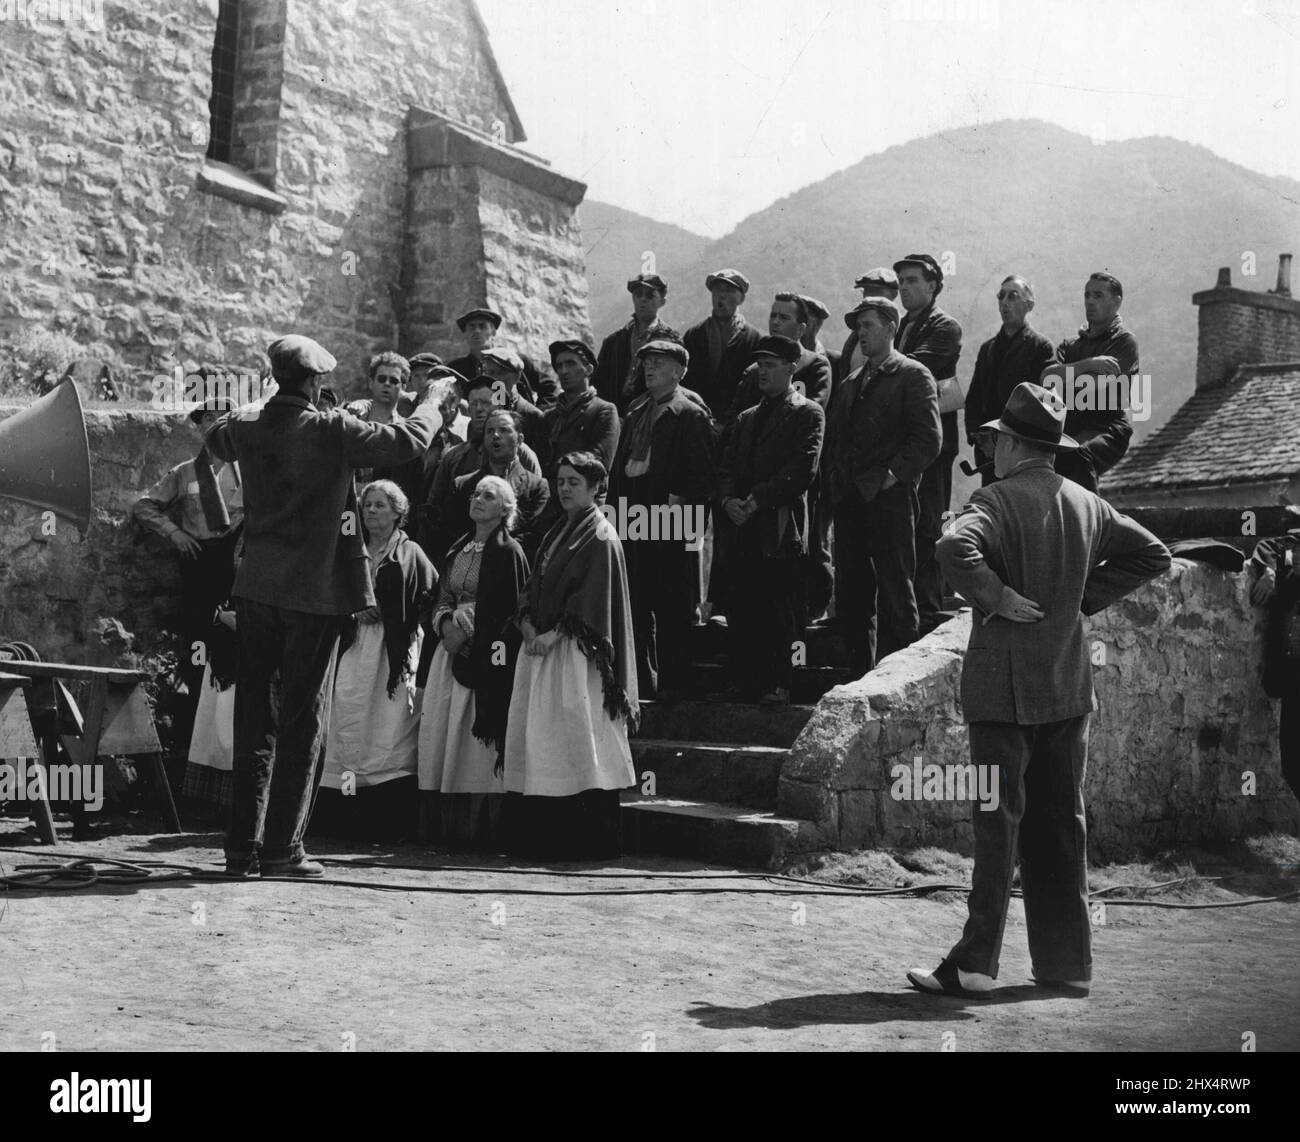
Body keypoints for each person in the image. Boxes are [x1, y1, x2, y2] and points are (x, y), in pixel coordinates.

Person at [909, 382, 1170, 999]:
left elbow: (952, 545)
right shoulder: (1087, 503)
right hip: (1068, 687)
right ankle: (1067, 964)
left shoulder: (995, 499)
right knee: (1061, 824)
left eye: (996, 438)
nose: (990, 448)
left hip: (1003, 693)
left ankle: (974, 964)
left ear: (1016, 444)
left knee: (997, 825)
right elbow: (1154, 554)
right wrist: (1082, 600)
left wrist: (996, 596)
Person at [202, 333, 446, 878]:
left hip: (257, 589)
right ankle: (283, 849)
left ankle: (241, 850)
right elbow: (407, 439)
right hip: (315, 594)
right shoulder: (332, 430)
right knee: (303, 721)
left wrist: (259, 400)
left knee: (253, 721)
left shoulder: (246, 425)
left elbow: (216, 436)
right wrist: (432, 400)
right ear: (314, 383)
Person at [506, 453, 639, 860]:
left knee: (581, 739)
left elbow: (594, 600)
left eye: (574, 482)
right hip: (542, 651)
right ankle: (547, 837)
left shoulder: (599, 535)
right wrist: (528, 624)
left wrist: (555, 633)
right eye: (560, 481)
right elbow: (534, 583)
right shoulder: (557, 530)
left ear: (596, 487)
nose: (564, 488)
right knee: (546, 741)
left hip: (578, 657)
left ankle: (588, 841)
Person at [312, 480, 435, 842]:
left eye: (380, 505)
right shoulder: (353, 550)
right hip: (353, 646)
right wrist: (352, 612)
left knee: (387, 726)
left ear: (398, 512)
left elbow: (427, 596)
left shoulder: (409, 551)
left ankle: (384, 820)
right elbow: (331, 591)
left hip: (390, 651)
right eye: (367, 505)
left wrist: (391, 613)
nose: (371, 511)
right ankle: (341, 812)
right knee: (347, 720)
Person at [824, 297, 941, 675]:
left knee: (895, 594)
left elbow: (928, 439)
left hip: (890, 501)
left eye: (869, 324)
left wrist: (891, 477)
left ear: (891, 328)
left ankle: (900, 680)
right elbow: (837, 442)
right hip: (851, 501)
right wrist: (839, 484)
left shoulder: (913, 374)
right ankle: (858, 679)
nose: (861, 332)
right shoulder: (850, 382)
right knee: (853, 598)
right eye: (858, 326)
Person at [417, 475, 528, 849]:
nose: (478, 499)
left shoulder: (509, 551)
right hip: (449, 653)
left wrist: (465, 629)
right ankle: (445, 827)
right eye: (477, 493)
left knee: (475, 744)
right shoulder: (459, 548)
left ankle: (482, 830)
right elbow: (443, 593)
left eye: (489, 495)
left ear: (505, 509)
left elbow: (507, 608)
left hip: (485, 658)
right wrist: (446, 621)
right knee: (446, 735)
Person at [714, 336, 824, 704]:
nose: (763, 371)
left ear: (792, 368)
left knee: (784, 609)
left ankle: (784, 682)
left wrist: (757, 499)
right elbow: (726, 466)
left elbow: (802, 470)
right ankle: (745, 679)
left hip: (780, 525)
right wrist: (728, 499)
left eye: (772, 364)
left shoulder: (807, 413)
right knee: (744, 606)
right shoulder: (746, 418)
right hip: (743, 525)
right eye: (760, 365)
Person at [132, 386, 244, 741]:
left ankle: (232, 724)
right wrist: (174, 533)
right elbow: (144, 506)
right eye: (209, 417)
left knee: (238, 636)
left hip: (239, 563)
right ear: (199, 427)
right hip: (200, 563)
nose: (217, 423)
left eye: (224, 416)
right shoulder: (185, 473)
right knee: (198, 638)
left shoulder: (250, 471)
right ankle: (196, 718)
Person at [609, 339, 715, 701]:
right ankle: (641, 682)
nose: (649, 368)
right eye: (646, 362)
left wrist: (684, 530)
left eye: (658, 362)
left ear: (678, 370)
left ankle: (675, 686)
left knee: (672, 607)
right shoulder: (636, 412)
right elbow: (618, 473)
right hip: (634, 516)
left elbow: (701, 479)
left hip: (670, 520)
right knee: (637, 604)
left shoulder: (690, 413)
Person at [894, 253, 963, 637]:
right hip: (906, 441)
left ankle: (930, 609)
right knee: (906, 526)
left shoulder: (944, 327)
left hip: (933, 442)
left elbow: (911, 369)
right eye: (901, 281)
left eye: (913, 280)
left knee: (930, 524)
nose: (904, 287)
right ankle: (910, 609)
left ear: (933, 285)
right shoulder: (902, 325)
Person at [418, 375, 540, 563]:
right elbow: (435, 508)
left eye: (485, 402)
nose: (479, 409)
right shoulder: (455, 455)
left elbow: (532, 498)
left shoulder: (523, 454)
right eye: (473, 403)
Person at [1039, 271, 1137, 492]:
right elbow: (1046, 378)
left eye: (1098, 295)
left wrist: (1065, 376)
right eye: (1087, 295)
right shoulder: (1071, 344)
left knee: (1076, 455)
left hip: (1107, 427)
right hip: (1072, 425)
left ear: (1116, 302)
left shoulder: (1124, 341)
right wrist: (1089, 364)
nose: (1090, 301)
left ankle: (1090, 520)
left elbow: (1094, 388)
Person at [964, 276, 1056, 486]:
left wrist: (1006, 440)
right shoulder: (987, 349)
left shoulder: (1040, 347)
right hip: (988, 455)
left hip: (1022, 452)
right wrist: (979, 436)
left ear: (1029, 305)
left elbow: (1042, 404)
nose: (1004, 302)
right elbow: (974, 399)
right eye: (1001, 296)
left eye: (1013, 296)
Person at [445, 408, 550, 563]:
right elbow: (451, 531)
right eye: (490, 431)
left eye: (504, 430)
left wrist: (496, 551)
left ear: (520, 439)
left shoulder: (537, 487)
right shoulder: (462, 485)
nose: (495, 435)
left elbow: (534, 537)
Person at [538, 339, 619, 523]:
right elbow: (540, 459)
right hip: (550, 504)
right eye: (559, 365)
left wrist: (558, 475)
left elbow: (598, 462)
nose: (564, 371)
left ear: (588, 369)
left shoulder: (603, 411)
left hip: (587, 505)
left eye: (571, 363)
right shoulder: (550, 417)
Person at [1248, 529, 1300, 805]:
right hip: (1294, 671)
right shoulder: (1292, 549)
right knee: (1292, 764)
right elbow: (1269, 545)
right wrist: (1268, 572)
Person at [682, 269, 764, 420]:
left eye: (729, 290)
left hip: (737, 424)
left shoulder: (754, 340)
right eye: (717, 290)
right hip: (696, 420)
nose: (721, 296)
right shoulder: (694, 336)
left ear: (741, 298)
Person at [592, 273, 675, 414]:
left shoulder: (671, 341)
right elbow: (598, 385)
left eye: (650, 295)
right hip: (616, 417)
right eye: (638, 294)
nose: (643, 299)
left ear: (662, 301)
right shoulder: (613, 342)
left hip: (654, 417)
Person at [446, 306, 558, 407]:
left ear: (493, 332)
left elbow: (548, 386)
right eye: (472, 327)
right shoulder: (455, 369)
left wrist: (540, 413)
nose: (477, 331)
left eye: (482, 326)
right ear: (465, 333)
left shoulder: (515, 361)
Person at [836, 268, 900, 394]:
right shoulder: (855, 335)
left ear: (894, 294)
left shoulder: (901, 331)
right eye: (866, 291)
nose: (869, 296)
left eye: (876, 291)